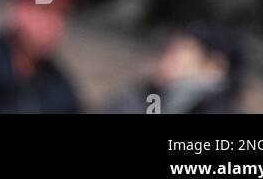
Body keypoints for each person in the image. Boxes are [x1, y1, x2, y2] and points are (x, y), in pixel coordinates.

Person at [104, 23, 244, 114]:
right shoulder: (140, 98)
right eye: (170, 49)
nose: (167, 58)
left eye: (182, 50)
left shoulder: (219, 110)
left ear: (216, 65)